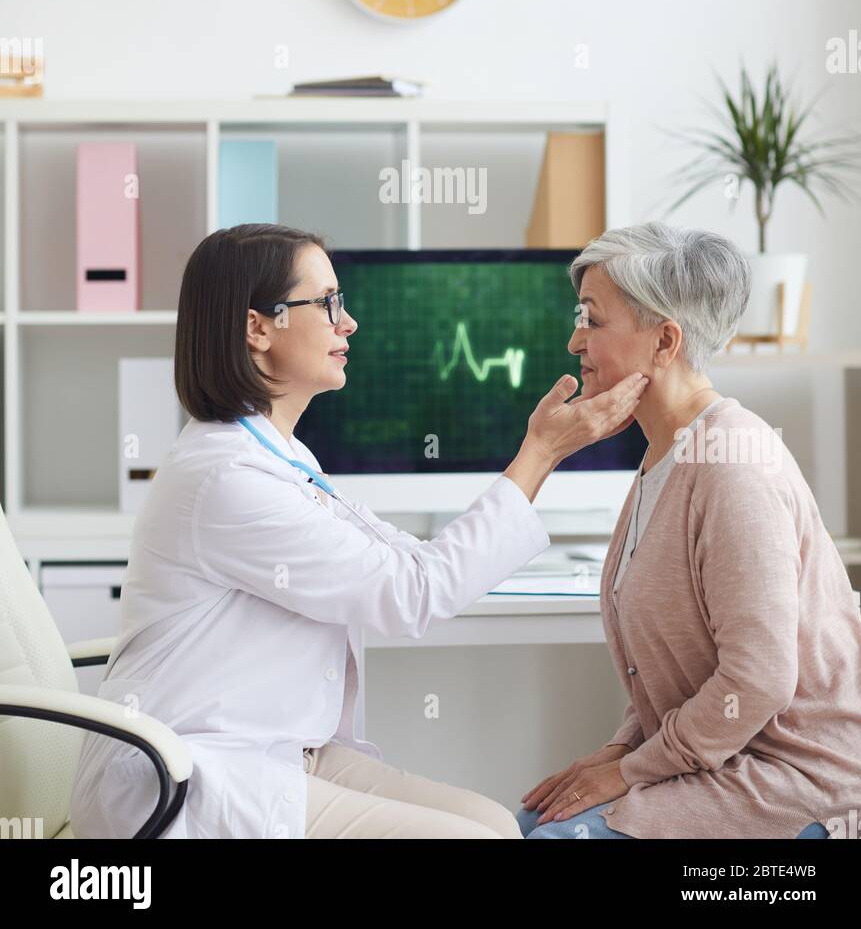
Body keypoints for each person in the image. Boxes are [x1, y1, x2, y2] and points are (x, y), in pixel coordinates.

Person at [69, 222, 648, 839]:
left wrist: (536, 460)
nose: (349, 324)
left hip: (277, 751)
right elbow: (414, 593)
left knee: (496, 825)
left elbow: (408, 562)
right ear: (256, 327)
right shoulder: (228, 479)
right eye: (326, 304)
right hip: (188, 775)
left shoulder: (284, 458)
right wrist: (541, 451)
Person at [518, 221, 861, 841]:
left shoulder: (733, 465)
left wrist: (632, 769)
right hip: (723, 758)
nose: (575, 340)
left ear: (665, 341)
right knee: (523, 822)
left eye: (593, 321)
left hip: (797, 779)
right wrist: (618, 749)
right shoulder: (664, 455)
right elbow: (675, 675)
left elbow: (757, 680)